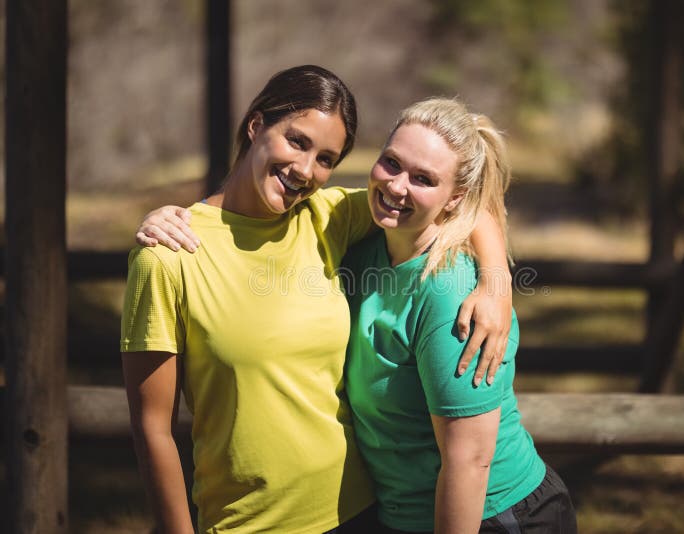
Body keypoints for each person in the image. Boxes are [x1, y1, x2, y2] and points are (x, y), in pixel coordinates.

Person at [123, 65, 513, 534]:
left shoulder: (327, 217)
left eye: (326, 159)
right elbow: (153, 430)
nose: (305, 171)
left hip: (362, 513)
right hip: (245, 523)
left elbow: (460, 201)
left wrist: (496, 284)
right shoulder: (169, 255)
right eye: (297, 141)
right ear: (256, 125)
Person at [339, 98, 578, 533]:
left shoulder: (449, 293)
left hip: (495, 517)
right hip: (404, 514)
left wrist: (493, 278)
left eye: (423, 179)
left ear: (455, 199)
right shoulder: (365, 244)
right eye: (391, 162)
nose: (396, 186)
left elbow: (469, 461)